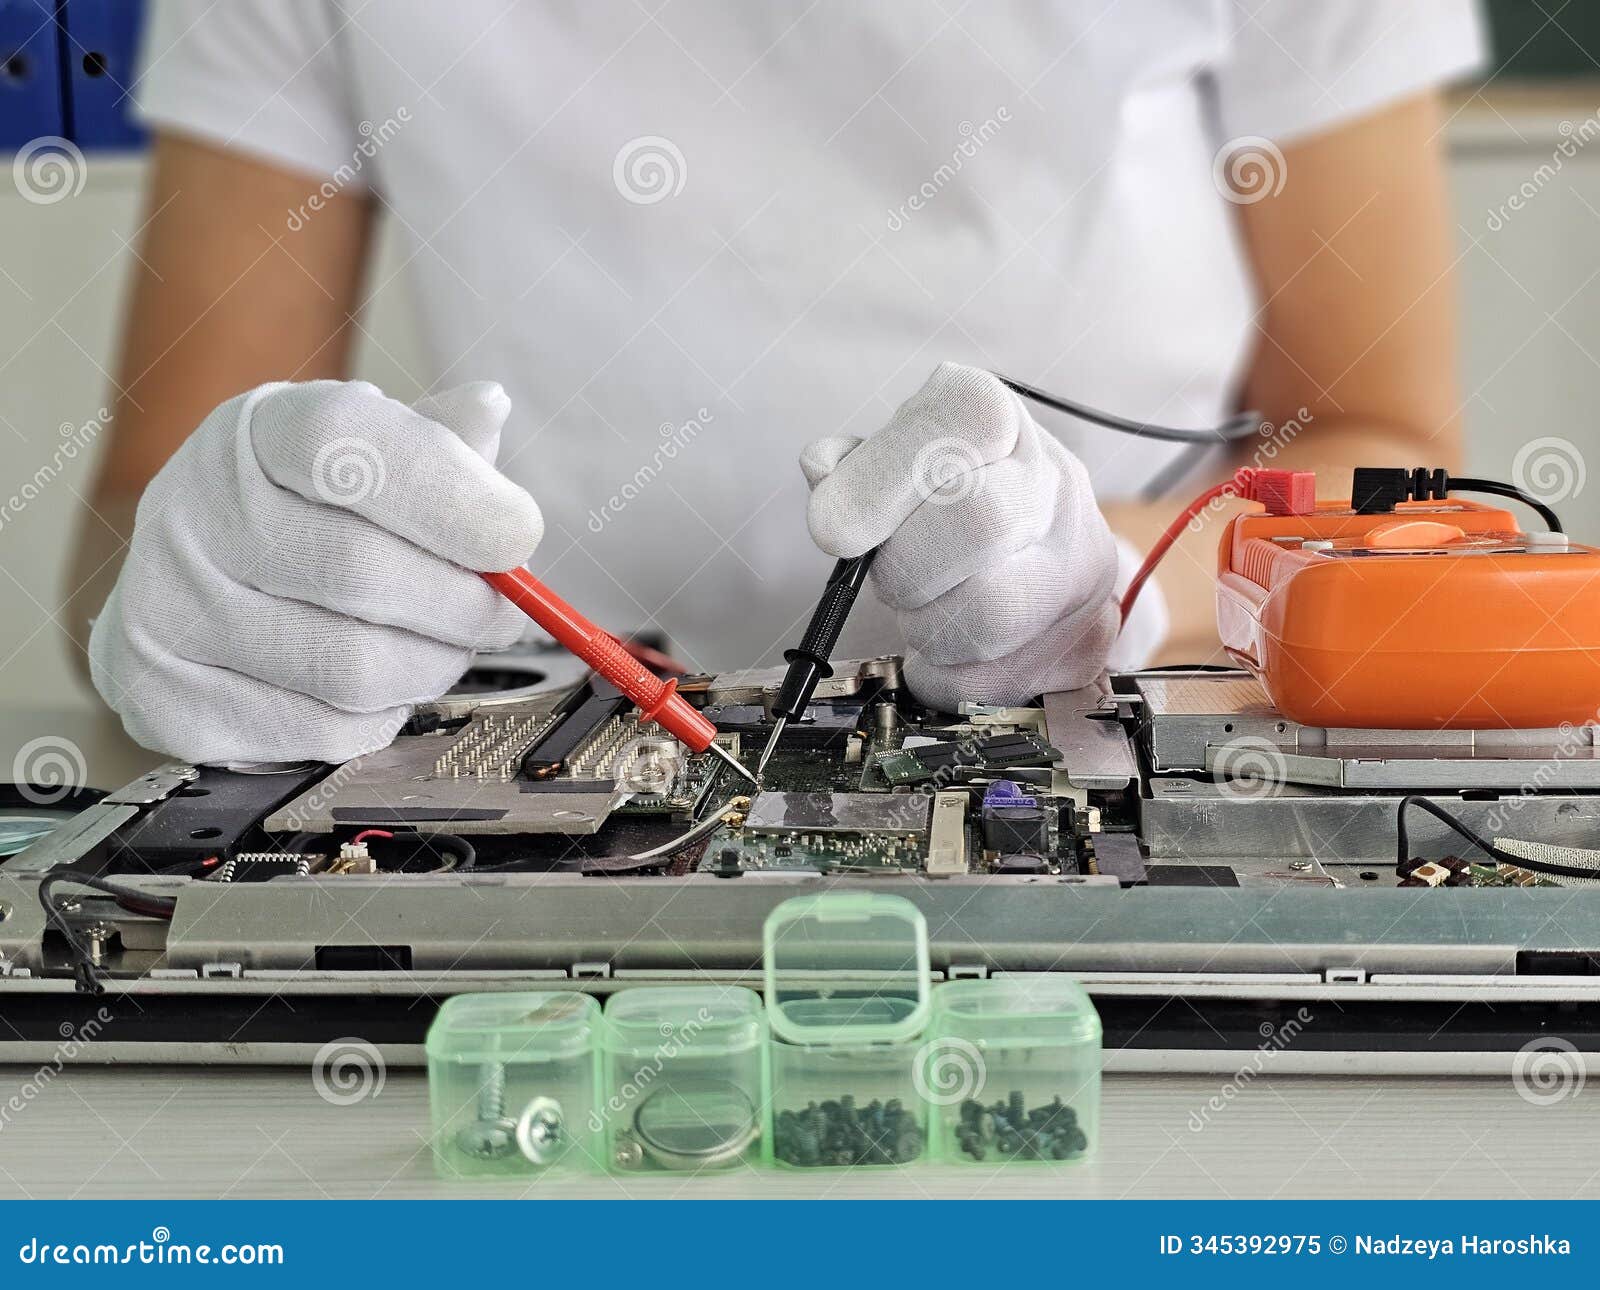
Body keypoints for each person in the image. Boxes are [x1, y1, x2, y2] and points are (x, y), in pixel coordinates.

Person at [69, 1, 1484, 765]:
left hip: (1118, 770)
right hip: (528, 798)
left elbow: (1395, 468)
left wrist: (1118, 581)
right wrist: (218, 591)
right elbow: (133, 527)